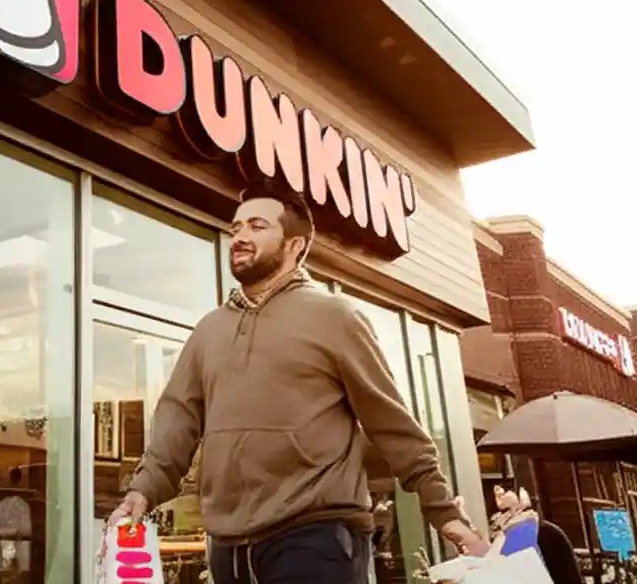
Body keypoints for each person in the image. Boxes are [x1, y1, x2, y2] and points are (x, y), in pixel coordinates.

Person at [108, 181, 487, 584]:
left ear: (295, 245)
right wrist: (142, 491)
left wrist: (442, 509)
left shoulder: (334, 317)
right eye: (236, 228)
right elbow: (177, 422)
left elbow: (389, 421)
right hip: (227, 546)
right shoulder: (209, 330)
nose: (239, 237)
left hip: (315, 536)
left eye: (257, 226)